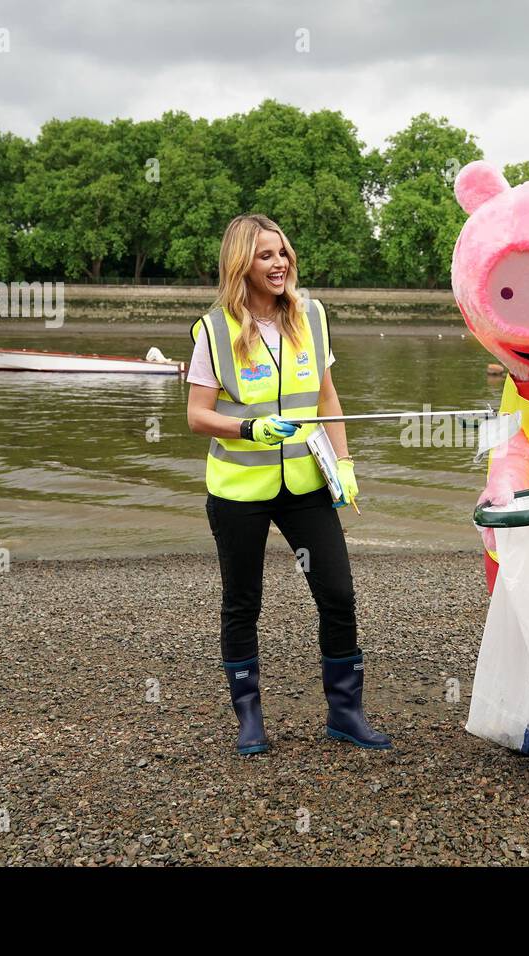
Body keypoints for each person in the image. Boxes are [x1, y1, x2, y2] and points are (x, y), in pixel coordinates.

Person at [185, 213, 391, 754]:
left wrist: (344, 466)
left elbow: (327, 400)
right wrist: (248, 427)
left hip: (305, 485)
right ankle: (249, 718)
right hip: (239, 491)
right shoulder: (214, 330)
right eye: (265, 256)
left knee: (338, 594)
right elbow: (197, 415)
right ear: (241, 264)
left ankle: (346, 714)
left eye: (283, 253)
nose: (279, 264)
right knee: (243, 602)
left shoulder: (311, 316)